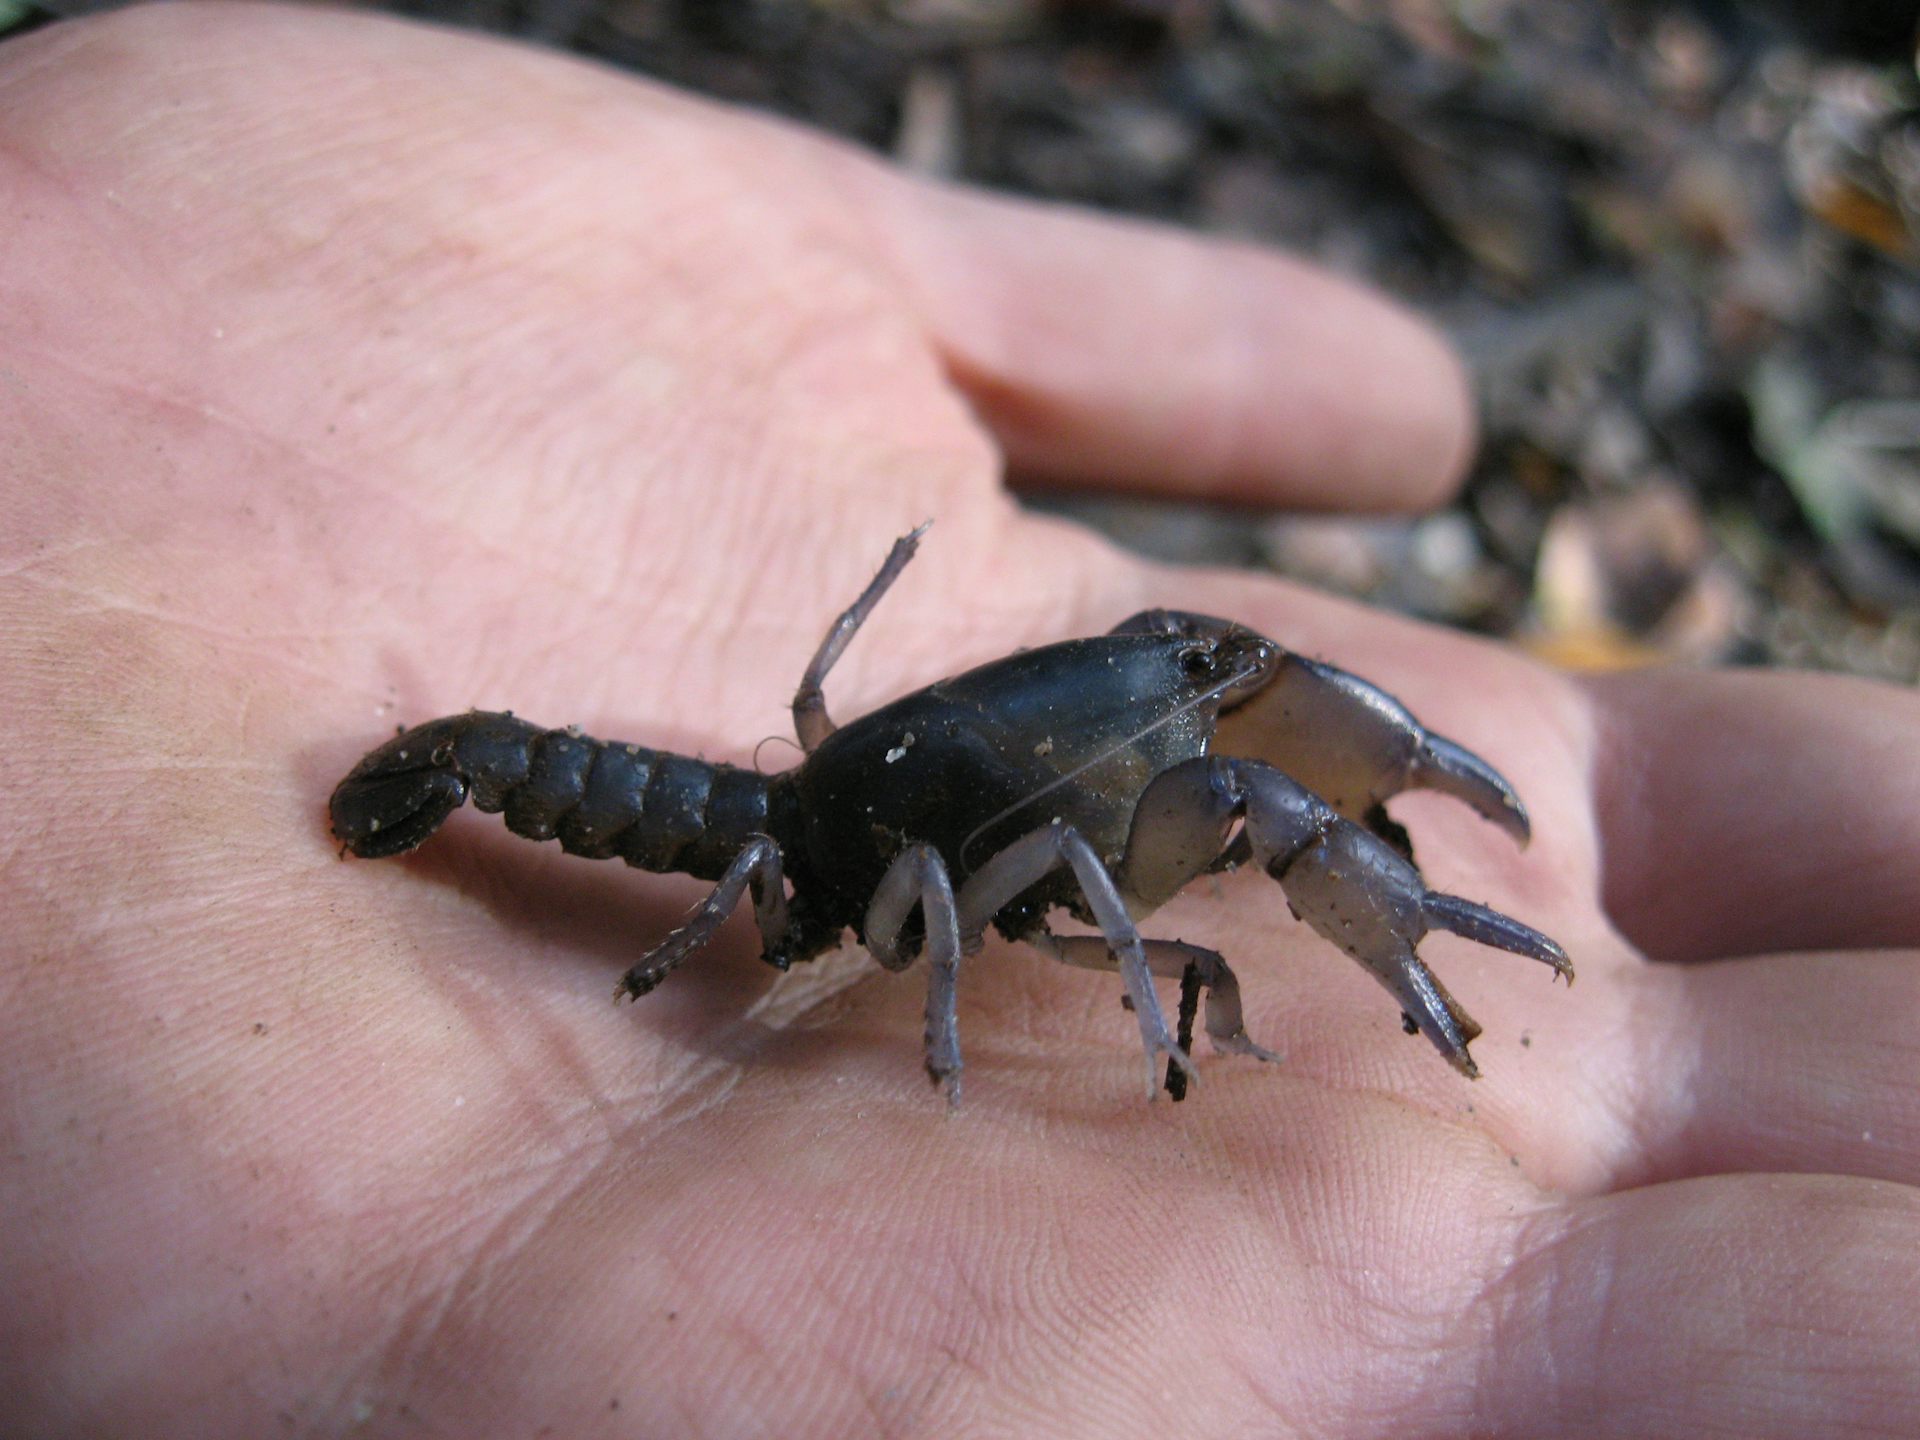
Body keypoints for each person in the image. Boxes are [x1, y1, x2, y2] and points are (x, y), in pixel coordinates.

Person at [3, 6, 1914, 1435]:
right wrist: (924, 995)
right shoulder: (996, 817)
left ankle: (1208, 986)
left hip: (822, 828)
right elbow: (1068, 848)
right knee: (1113, 832)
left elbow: (1150, 763)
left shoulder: (1143, 692)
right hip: (760, 841)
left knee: (1184, 796)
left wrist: (1272, 880)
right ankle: (473, 784)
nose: (1199, 699)